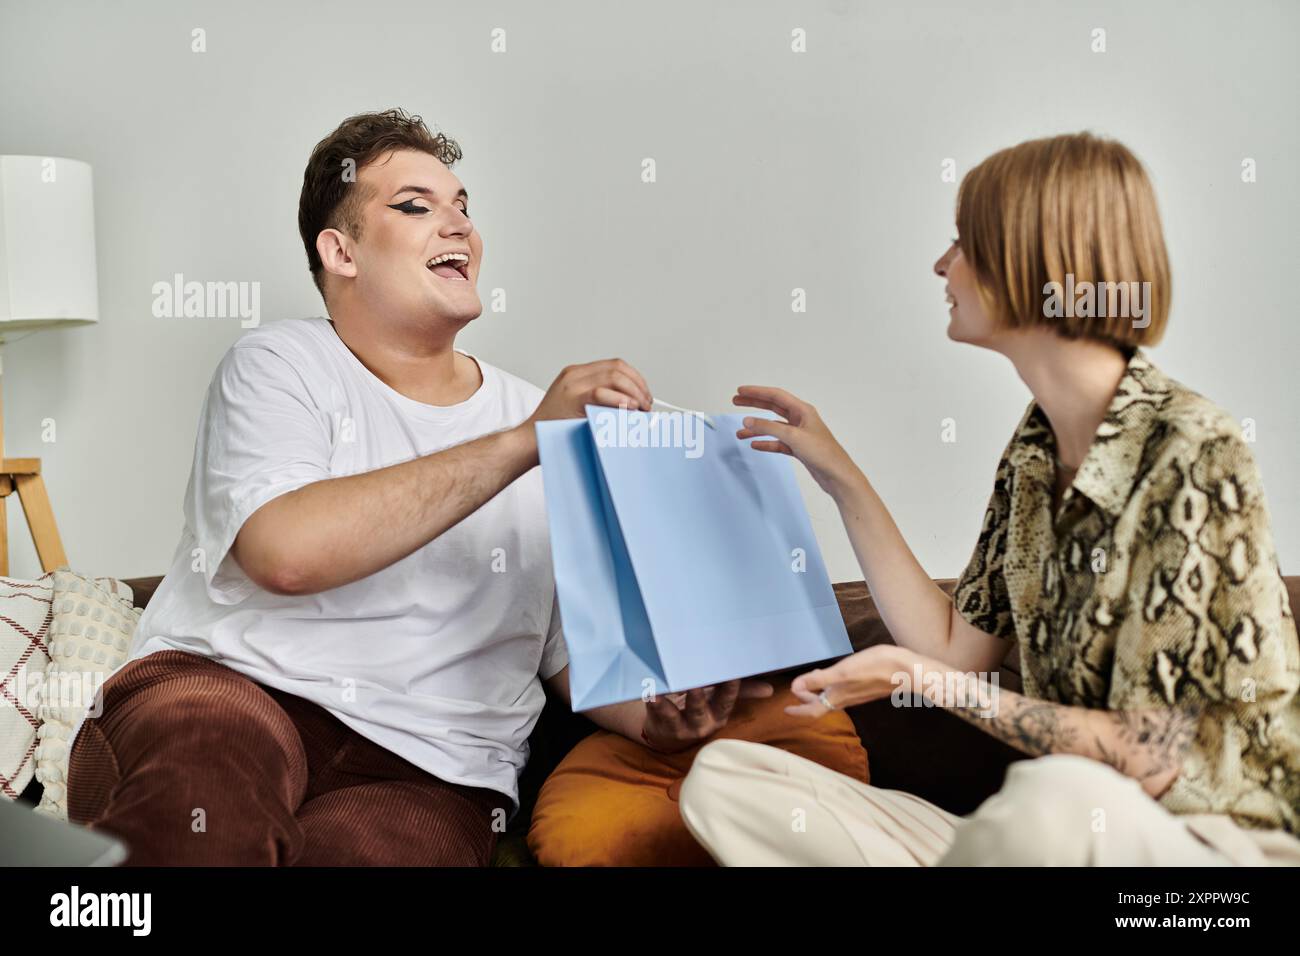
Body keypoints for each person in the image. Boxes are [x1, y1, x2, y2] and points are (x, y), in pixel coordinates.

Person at [64, 108, 866, 866]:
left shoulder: (549, 423)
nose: (459, 226)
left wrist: (661, 716)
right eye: (416, 207)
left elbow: (572, 661)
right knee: (207, 803)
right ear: (340, 252)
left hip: (433, 768)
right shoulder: (280, 365)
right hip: (235, 695)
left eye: (463, 207)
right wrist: (525, 443)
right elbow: (285, 554)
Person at [679, 132, 1300, 866]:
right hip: (1050, 842)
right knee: (730, 780)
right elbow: (954, 647)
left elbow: (1154, 754)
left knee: (1059, 800)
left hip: (1201, 855)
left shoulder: (1191, 449)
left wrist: (917, 680)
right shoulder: (1035, 454)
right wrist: (840, 476)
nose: (942, 265)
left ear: (1030, 256)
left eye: (962, 242)